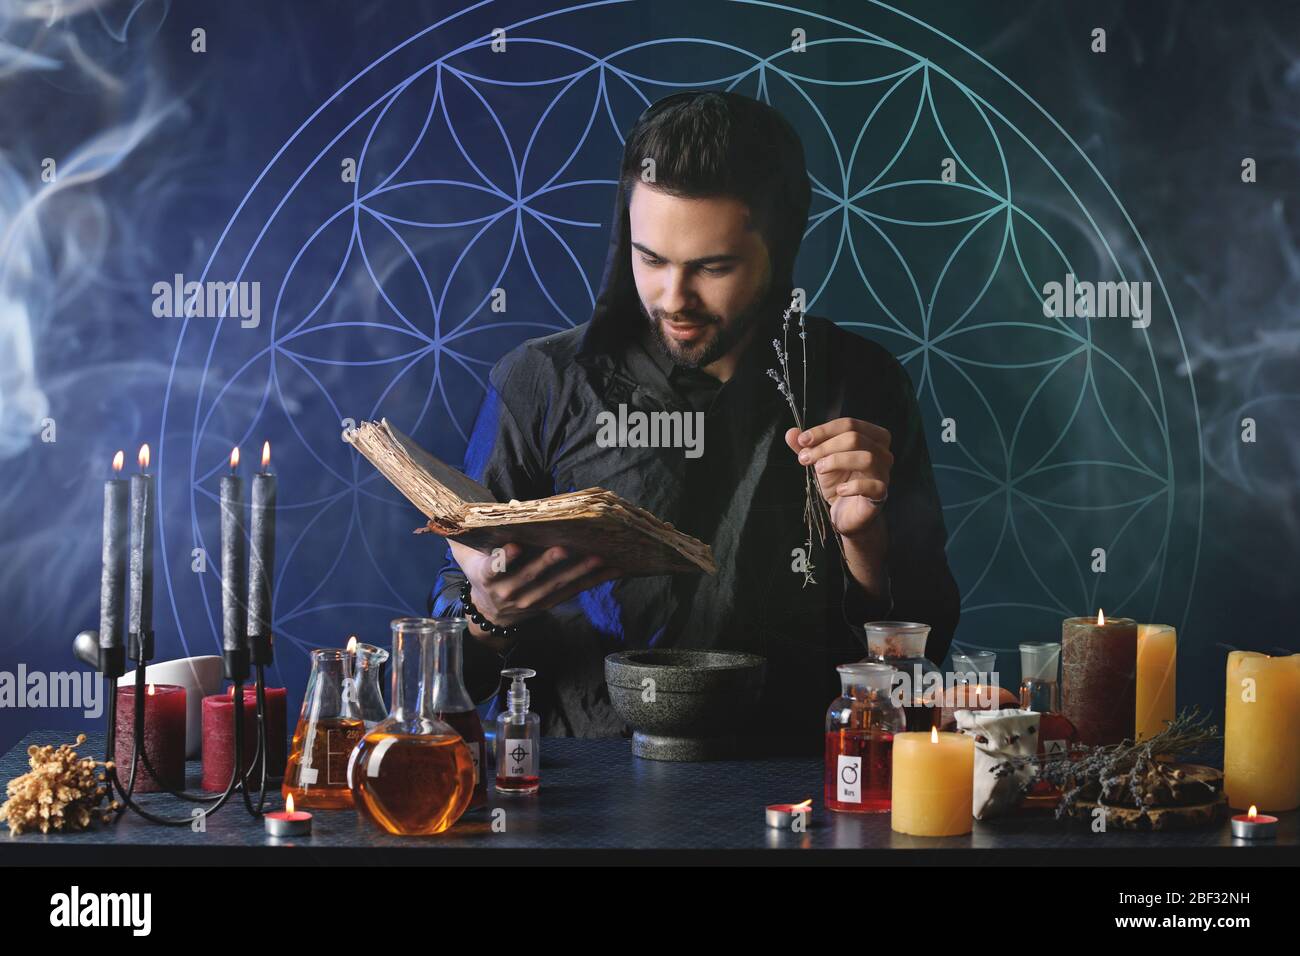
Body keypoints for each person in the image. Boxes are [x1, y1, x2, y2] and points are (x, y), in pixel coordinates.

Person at [430, 90, 959, 752]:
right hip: (583, 799)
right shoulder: (541, 382)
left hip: (801, 786)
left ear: (781, 246)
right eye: (650, 260)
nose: (674, 299)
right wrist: (490, 615)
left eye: (713, 268)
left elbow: (927, 648)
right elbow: (452, 677)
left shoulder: (862, 381)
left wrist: (867, 549)